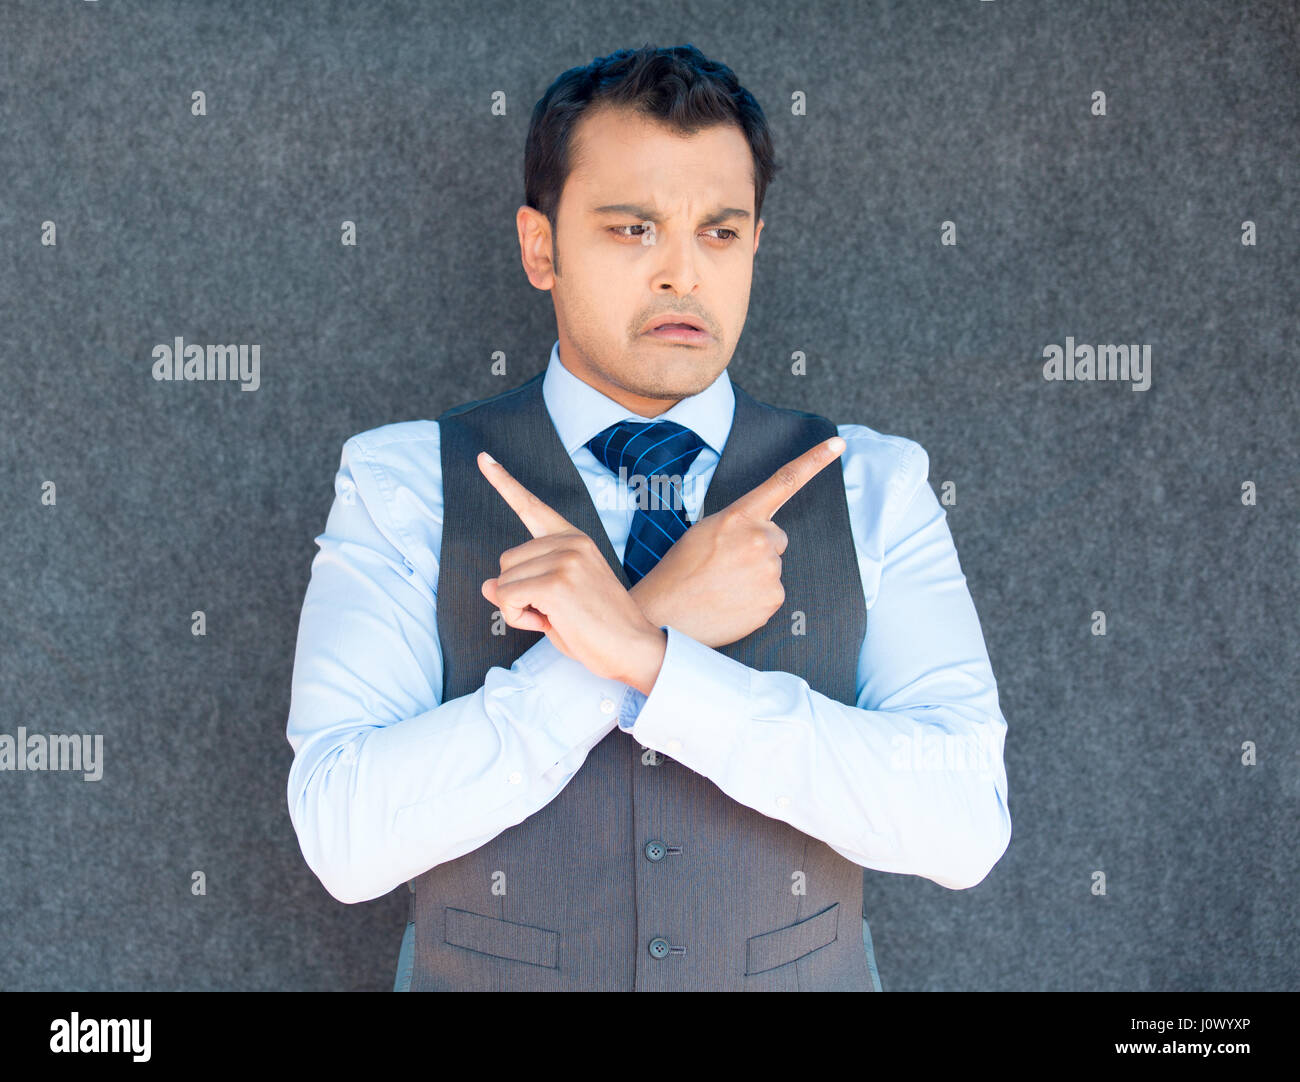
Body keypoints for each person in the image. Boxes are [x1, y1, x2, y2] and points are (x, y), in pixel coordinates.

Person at [285, 43, 1011, 992]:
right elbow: (344, 838)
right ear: (541, 247)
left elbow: (964, 825)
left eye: (720, 232)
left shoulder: (874, 481)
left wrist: (651, 658)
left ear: (755, 242)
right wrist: (646, 627)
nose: (683, 275)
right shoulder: (402, 480)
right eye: (633, 230)